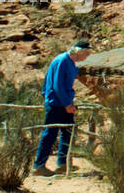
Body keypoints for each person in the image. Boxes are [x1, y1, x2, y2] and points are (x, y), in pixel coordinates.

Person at [33, 40, 92, 176]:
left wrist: (68, 103)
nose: (87, 56)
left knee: (68, 132)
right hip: (57, 104)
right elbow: (57, 85)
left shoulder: (71, 63)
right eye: (87, 53)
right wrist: (66, 104)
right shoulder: (62, 60)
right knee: (50, 134)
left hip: (65, 104)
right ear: (79, 52)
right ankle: (38, 166)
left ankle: (62, 163)